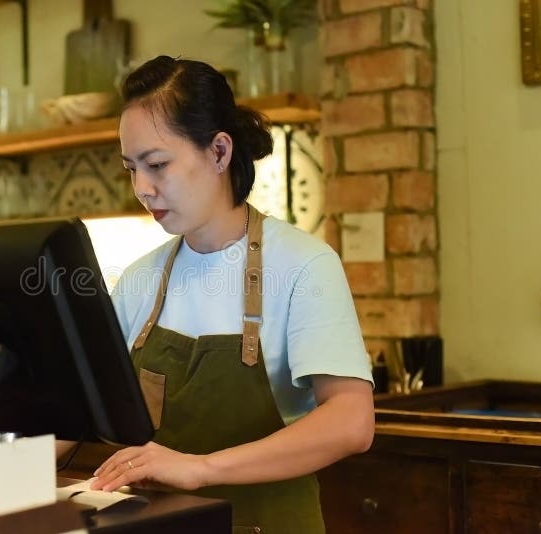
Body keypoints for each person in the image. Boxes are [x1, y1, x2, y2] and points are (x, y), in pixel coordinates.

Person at [88, 55, 375, 533]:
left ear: (219, 152)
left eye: (157, 164)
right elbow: (82, 409)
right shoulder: (139, 279)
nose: (142, 187)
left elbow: (351, 422)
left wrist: (200, 469)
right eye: (130, 168)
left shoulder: (305, 265)